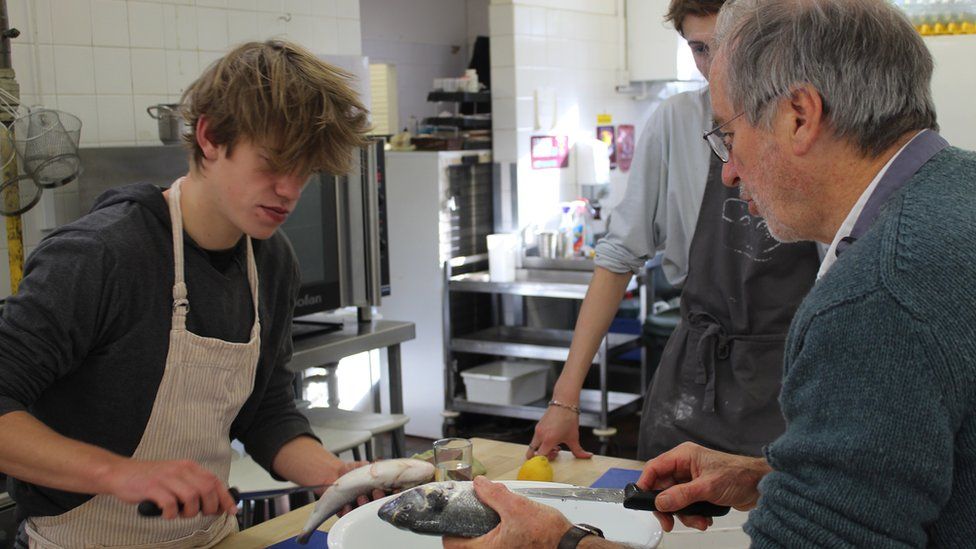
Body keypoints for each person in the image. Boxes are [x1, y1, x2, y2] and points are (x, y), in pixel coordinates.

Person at [448, 0, 976, 547]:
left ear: (799, 115)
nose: (728, 171)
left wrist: (560, 542)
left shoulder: (870, 298)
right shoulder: (955, 195)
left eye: (729, 133)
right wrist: (764, 477)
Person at [0, 40, 376, 547]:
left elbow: (264, 408)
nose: (290, 190)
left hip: (211, 538)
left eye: (304, 170)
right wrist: (118, 473)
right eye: (272, 164)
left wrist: (335, 476)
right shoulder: (101, 255)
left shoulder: (270, 259)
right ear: (210, 137)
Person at [529, 0, 820, 462]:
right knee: (665, 522)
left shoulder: (807, 123)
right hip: (694, 377)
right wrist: (564, 400)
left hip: (792, 375)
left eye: (725, 46)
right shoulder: (676, 120)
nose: (715, 66)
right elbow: (618, 256)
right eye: (700, 49)